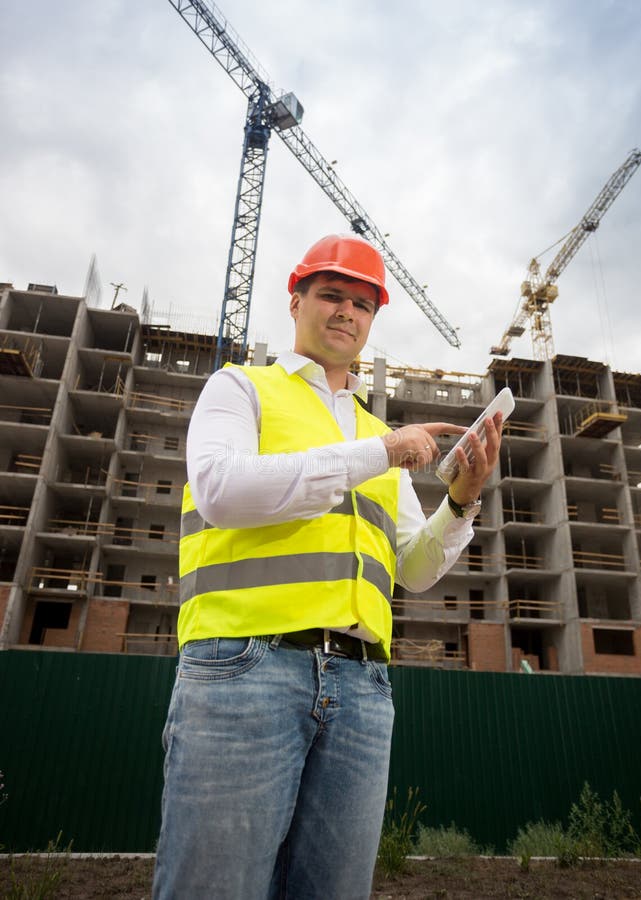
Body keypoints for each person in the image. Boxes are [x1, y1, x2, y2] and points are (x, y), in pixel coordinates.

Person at [152, 234, 502, 900]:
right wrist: (377, 454)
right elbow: (223, 489)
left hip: (361, 690)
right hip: (242, 671)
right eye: (332, 295)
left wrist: (461, 501)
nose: (348, 312)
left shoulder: (379, 435)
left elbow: (414, 569)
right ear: (296, 301)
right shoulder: (239, 389)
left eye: (363, 304)